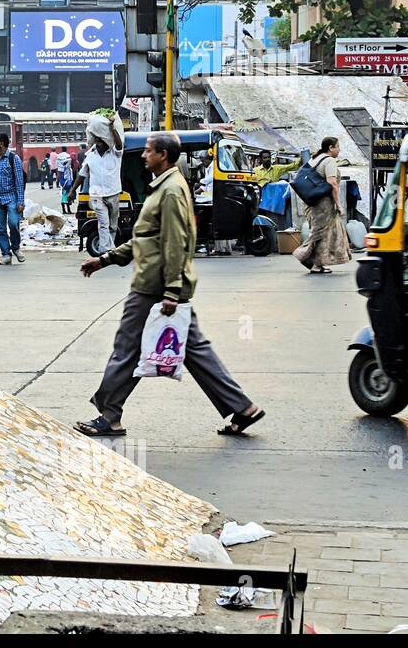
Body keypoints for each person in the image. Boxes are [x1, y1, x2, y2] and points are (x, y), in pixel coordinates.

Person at [76, 132, 266, 438]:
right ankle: (242, 408)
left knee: (127, 348)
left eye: (148, 151)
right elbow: (147, 239)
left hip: (155, 286)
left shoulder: (171, 191)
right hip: (160, 283)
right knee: (195, 350)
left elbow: (176, 243)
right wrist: (105, 260)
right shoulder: (164, 188)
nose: (143, 155)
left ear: (163, 156)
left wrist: (171, 292)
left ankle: (109, 415)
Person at [293, 136, 351, 274]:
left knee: (322, 233)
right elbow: (332, 183)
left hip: (312, 201)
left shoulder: (315, 159)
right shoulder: (329, 161)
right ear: (331, 148)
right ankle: (306, 256)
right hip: (323, 204)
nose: (339, 149)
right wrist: (339, 204)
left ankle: (317, 263)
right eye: (337, 146)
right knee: (321, 233)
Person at [68, 122, 124, 252]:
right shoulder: (90, 157)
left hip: (113, 193)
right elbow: (81, 175)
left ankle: (110, 248)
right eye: (97, 142)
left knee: (113, 225)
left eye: (101, 141)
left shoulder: (115, 153)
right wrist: (72, 191)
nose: (98, 144)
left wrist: (112, 128)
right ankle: (107, 250)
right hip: (97, 195)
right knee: (103, 224)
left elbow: (119, 144)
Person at [0, 132, 25, 264]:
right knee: (0, 228)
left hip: (11, 197)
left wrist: (21, 202)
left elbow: (19, 181)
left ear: (1, 144)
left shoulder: (13, 158)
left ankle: (16, 247)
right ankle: (6, 254)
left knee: (13, 224)